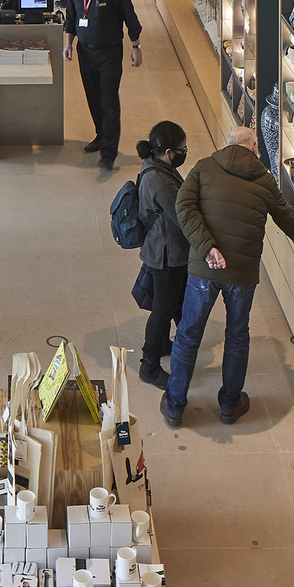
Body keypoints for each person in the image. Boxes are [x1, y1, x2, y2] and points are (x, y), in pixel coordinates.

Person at [162, 124, 294, 427]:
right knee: (236, 335)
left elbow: (183, 205)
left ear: (229, 144)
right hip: (241, 274)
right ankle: (230, 405)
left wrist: (206, 247)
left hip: (204, 269)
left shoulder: (205, 167)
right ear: (255, 146)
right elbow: (287, 217)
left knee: (188, 334)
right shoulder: (265, 180)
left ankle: (175, 405)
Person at [62, 0, 141, 168]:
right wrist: (68, 43)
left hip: (109, 52)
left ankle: (109, 153)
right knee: (93, 98)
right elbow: (72, 17)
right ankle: (101, 135)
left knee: (108, 101)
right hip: (85, 52)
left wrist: (136, 45)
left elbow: (130, 17)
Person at [134, 121, 191, 388]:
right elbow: (182, 217)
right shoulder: (160, 180)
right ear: (169, 152)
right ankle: (150, 365)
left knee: (170, 304)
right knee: (163, 309)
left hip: (163, 247)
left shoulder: (154, 166)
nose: (184, 152)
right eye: (182, 149)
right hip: (167, 253)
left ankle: (163, 345)